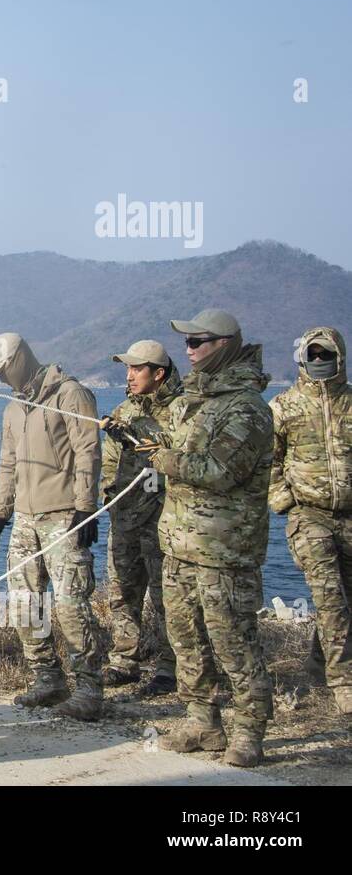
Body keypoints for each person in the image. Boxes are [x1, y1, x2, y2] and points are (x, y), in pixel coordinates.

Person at [151, 309, 274, 767]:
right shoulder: (189, 402)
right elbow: (170, 446)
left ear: (224, 344)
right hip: (179, 546)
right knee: (186, 639)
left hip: (225, 552)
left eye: (199, 341)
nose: (190, 349)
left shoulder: (247, 408)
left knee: (235, 645)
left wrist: (164, 460)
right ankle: (202, 721)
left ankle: (249, 731)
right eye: (187, 342)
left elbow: (222, 471)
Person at [0, 332, 104, 720]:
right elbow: (8, 463)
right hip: (25, 520)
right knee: (24, 604)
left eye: (2, 370)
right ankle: (47, 678)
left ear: (17, 361)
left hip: (63, 515)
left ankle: (89, 688)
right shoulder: (14, 407)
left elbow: (88, 451)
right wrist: (0, 513)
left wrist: (85, 507)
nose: (1, 379)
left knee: (70, 605)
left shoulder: (71, 395)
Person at [269, 326, 352, 715]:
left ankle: (318, 672)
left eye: (326, 355)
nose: (320, 361)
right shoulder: (284, 407)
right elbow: (267, 461)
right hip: (308, 516)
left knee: (343, 599)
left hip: (349, 516)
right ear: (303, 357)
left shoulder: (351, 404)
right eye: (314, 355)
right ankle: (344, 683)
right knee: (329, 595)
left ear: (339, 357)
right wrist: (285, 501)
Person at [99, 340, 182, 696]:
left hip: (164, 522)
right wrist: (109, 498)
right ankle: (124, 661)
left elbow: (179, 456)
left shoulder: (182, 411)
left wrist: (141, 438)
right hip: (125, 518)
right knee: (122, 594)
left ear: (158, 373)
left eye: (137, 369)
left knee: (168, 599)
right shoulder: (123, 411)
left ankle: (170, 665)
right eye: (127, 369)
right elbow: (108, 464)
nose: (130, 376)